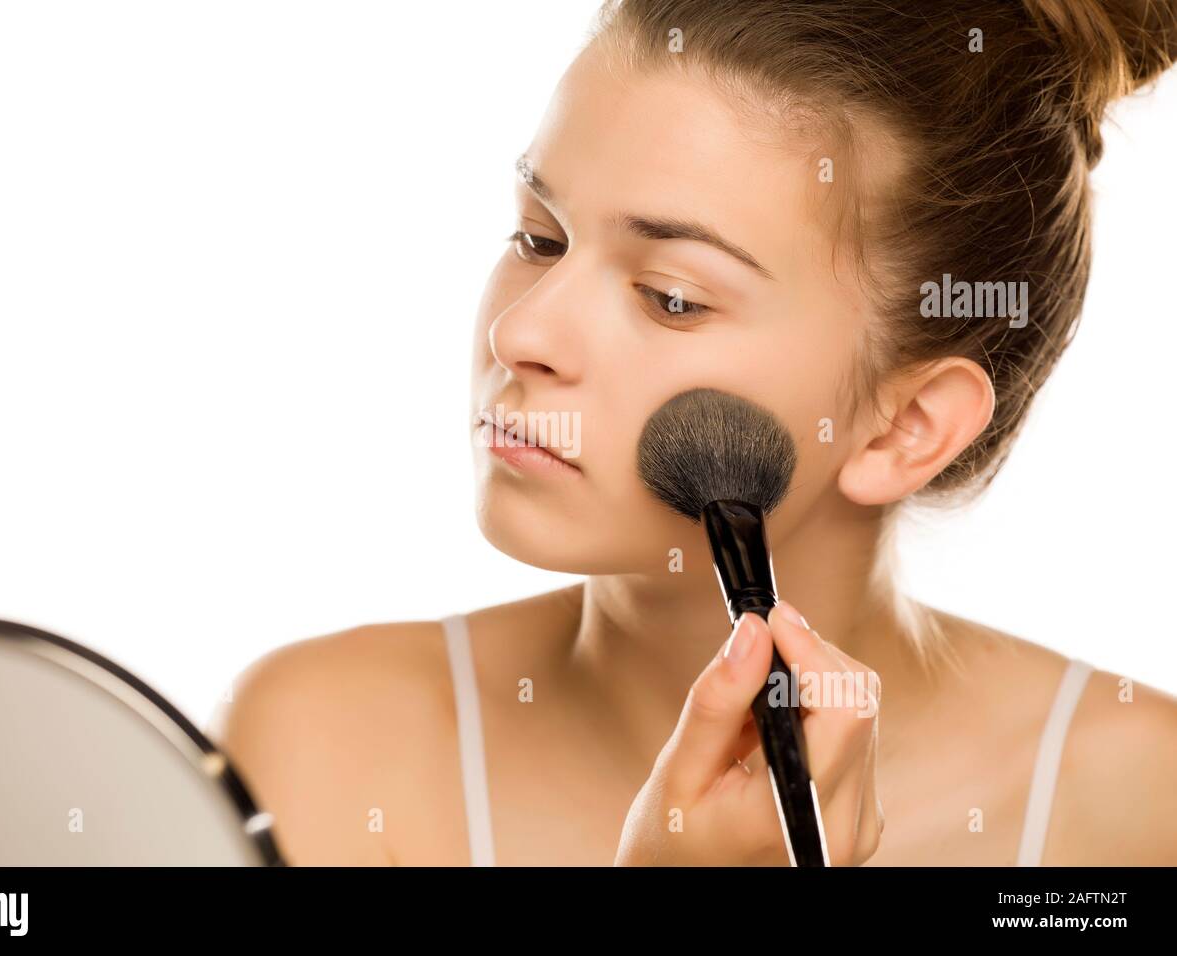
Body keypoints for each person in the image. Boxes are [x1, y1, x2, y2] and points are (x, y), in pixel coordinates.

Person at [211, 0, 1177, 865]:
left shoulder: (1135, 799)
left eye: (669, 298)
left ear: (907, 426)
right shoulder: (323, 749)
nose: (522, 332)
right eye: (538, 238)